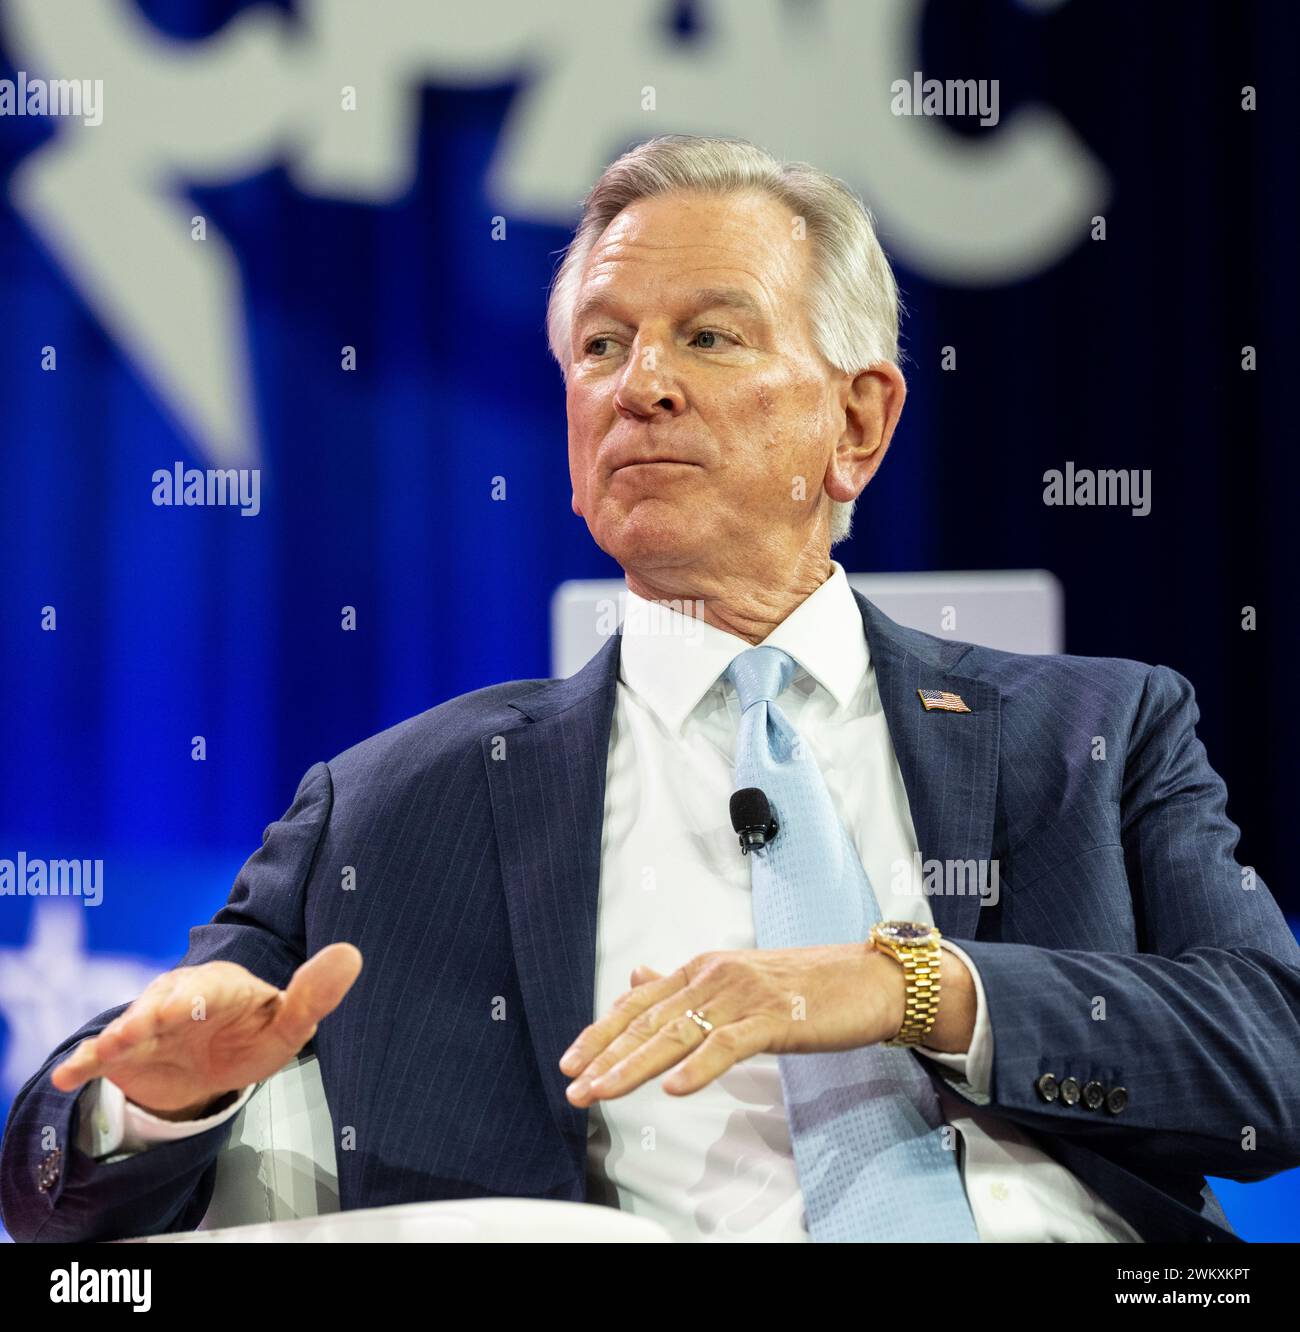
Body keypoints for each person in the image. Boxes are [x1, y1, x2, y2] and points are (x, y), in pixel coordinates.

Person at [3, 135, 1297, 1244]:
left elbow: (1273, 1057)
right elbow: (52, 1180)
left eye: (711, 337)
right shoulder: (390, 805)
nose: (643, 385)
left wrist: (913, 989)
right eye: (603, 347)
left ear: (861, 423)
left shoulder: (1093, 732)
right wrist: (158, 1099)